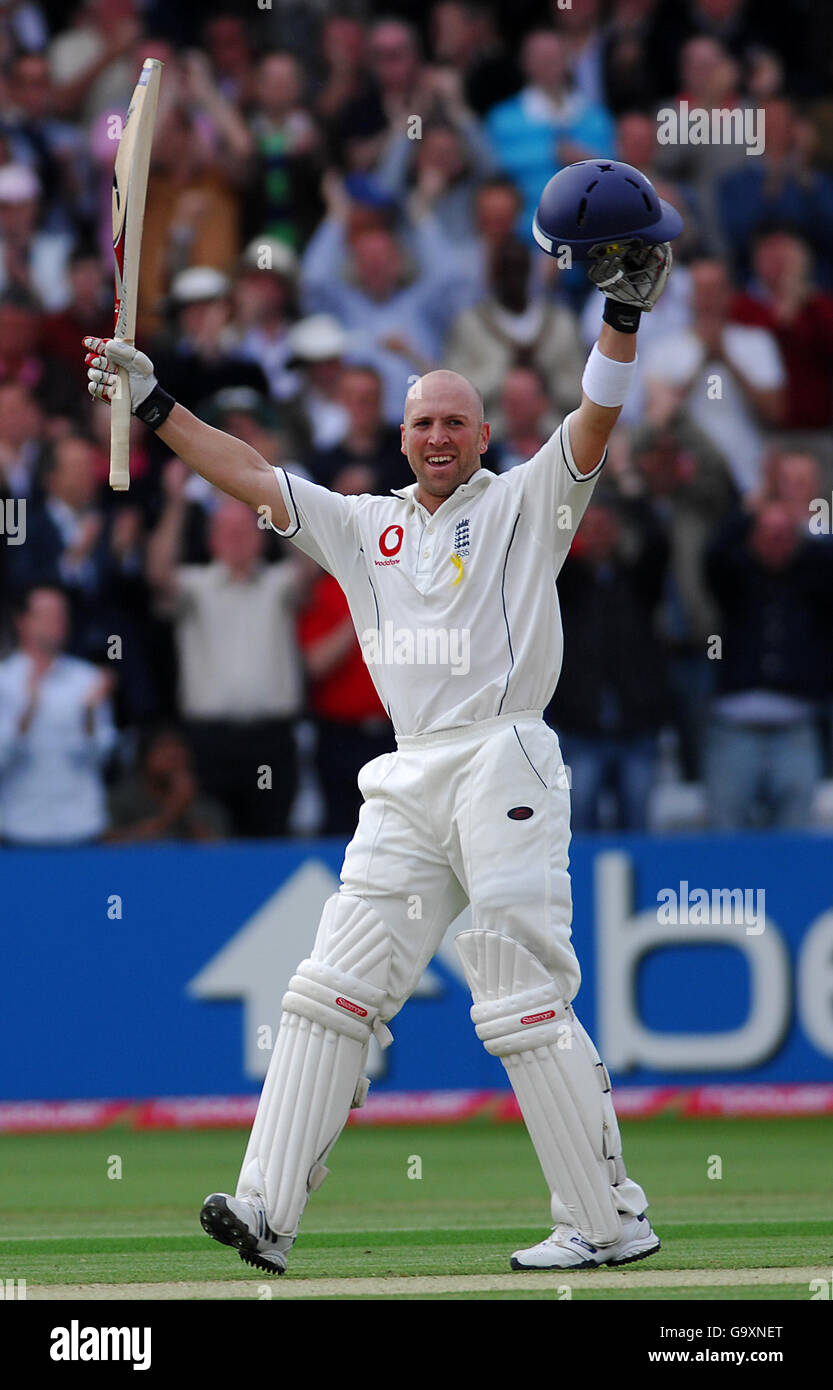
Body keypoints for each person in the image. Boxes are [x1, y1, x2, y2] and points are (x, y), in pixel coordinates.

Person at [82, 222, 669, 1275]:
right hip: (402, 775)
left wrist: (619, 315)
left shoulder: (530, 502)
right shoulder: (363, 526)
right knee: (327, 987)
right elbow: (252, 473)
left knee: (515, 986)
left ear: (482, 433)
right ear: (400, 437)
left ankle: (605, 1217)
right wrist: (156, 402)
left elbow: (594, 419)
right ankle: (264, 1210)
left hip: (502, 759)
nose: (437, 435)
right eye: (421, 422)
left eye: (454, 420)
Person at [0, 585, 116, 846]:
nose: (58, 622)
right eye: (47, 615)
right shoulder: (3, 681)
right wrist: (26, 713)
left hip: (81, 826)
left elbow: (101, 756)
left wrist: (88, 715)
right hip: (19, 827)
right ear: (23, 622)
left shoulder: (88, 679)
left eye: (63, 614)